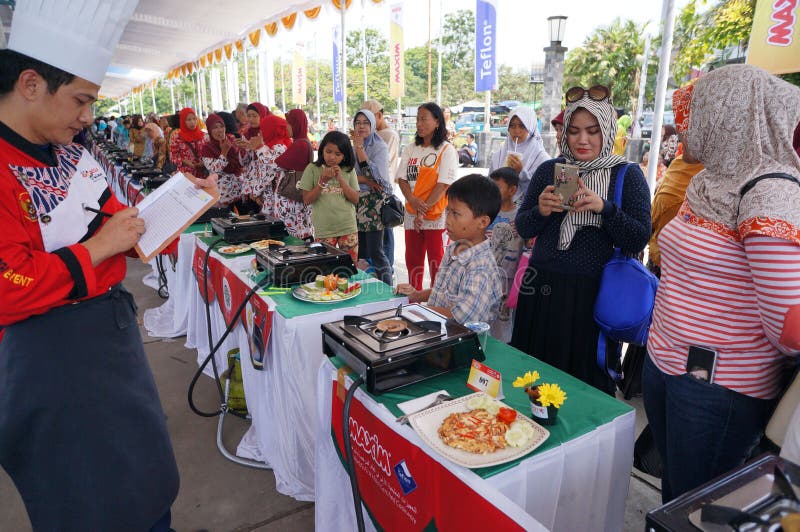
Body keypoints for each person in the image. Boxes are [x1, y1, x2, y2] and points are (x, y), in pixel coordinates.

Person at [0, 1, 218, 528]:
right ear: (31, 84)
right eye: (80, 100)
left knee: (147, 487)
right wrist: (99, 249)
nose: (87, 117)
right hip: (46, 366)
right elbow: (9, 285)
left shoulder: (74, 154)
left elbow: (131, 230)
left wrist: (185, 206)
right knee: (86, 503)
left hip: (112, 342)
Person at [642, 64, 800, 503]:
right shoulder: (711, 180)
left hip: (717, 389)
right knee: (675, 497)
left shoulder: (770, 194)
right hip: (670, 365)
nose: (682, 124)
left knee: (693, 508)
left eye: (697, 110)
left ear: (734, 116)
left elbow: (790, 330)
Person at [511, 85, 651, 394]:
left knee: (583, 387)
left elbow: (640, 237)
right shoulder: (550, 169)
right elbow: (523, 227)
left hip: (593, 298)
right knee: (534, 380)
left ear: (608, 130)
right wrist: (541, 211)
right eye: (574, 131)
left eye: (592, 130)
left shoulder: (626, 175)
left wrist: (605, 209)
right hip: (542, 291)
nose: (582, 139)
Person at [396, 174, 504, 324]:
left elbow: (462, 319)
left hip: (461, 343)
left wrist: (415, 311)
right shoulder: (454, 247)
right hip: (440, 334)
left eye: (455, 213)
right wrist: (417, 295)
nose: (448, 220)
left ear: (483, 222)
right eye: (447, 212)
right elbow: (445, 293)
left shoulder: (480, 268)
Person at [397, 102, 458, 290]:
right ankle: (412, 301)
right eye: (417, 119)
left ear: (437, 122)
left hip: (435, 215)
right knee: (413, 261)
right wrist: (413, 202)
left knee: (436, 262)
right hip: (412, 212)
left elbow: (443, 184)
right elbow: (402, 179)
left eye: (423, 119)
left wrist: (422, 211)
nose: (419, 124)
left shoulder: (446, 149)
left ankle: (435, 302)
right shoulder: (411, 148)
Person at [299, 131, 360, 261]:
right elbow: (306, 199)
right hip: (324, 229)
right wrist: (323, 181)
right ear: (322, 150)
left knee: (349, 268)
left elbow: (355, 199)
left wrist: (341, 179)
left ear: (344, 155)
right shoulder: (312, 169)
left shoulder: (349, 170)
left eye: (337, 154)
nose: (332, 157)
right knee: (325, 269)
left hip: (347, 228)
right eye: (328, 152)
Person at [351, 109, 393, 284]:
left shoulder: (379, 146)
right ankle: (364, 285)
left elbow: (378, 178)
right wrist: (365, 180)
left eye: (365, 123)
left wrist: (360, 149)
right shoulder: (351, 146)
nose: (361, 126)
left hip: (374, 205)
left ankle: (387, 287)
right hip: (355, 200)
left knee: (376, 251)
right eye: (357, 123)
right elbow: (348, 175)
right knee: (360, 251)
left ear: (372, 125)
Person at [487, 167, 524, 342]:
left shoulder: (521, 215)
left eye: (497, 187)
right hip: (486, 274)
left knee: (504, 318)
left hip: (509, 278)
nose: (492, 191)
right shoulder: (487, 211)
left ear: (512, 190)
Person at [362, 99, 400, 273]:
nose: (363, 125)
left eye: (367, 120)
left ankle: (387, 271)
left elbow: (383, 168)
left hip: (381, 191)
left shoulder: (387, 136)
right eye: (359, 122)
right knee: (372, 241)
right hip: (365, 194)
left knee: (384, 236)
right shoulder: (367, 137)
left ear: (377, 115)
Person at [489, 107, 550, 203]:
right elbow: (489, 185)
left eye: (522, 126)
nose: (516, 131)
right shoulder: (499, 155)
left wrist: (521, 172)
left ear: (530, 127)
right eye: (512, 126)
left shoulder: (541, 158)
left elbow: (541, 192)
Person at [272, 108, 314, 239]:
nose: (286, 127)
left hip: (292, 201)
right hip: (296, 199)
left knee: (294, 238)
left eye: (289, 124)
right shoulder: (301, 141)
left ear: (296, 124)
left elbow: (277, 164)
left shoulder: (300, 145)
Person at [245, 114, 292, 217]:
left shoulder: (278, 147)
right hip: (268, 196)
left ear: (271, 130)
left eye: (263, 129)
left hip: (273, 198)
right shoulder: (271, 145)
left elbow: (269, 173)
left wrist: (256, 192)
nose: (260, 132)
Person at [200, 113, 244, 207]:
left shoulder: (232, 139)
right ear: (210, 130)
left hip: (240, 189)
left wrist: (244, 149)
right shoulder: (207, 148)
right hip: (223, 194)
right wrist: (224, 152)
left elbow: (242, 162)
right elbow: (214, 170)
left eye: (221, 126)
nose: (219, 130)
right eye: (215, 127)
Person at [169, 106, 208, 177]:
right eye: (188, 120)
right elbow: (172, 157)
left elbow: (209, 154)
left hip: (203, 175)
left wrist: (204, 162)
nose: (192, 122)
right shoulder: (177, 137)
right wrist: (185, 161)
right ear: (183, 121)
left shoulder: (204, 136)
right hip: (186, 176)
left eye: (194, 119)